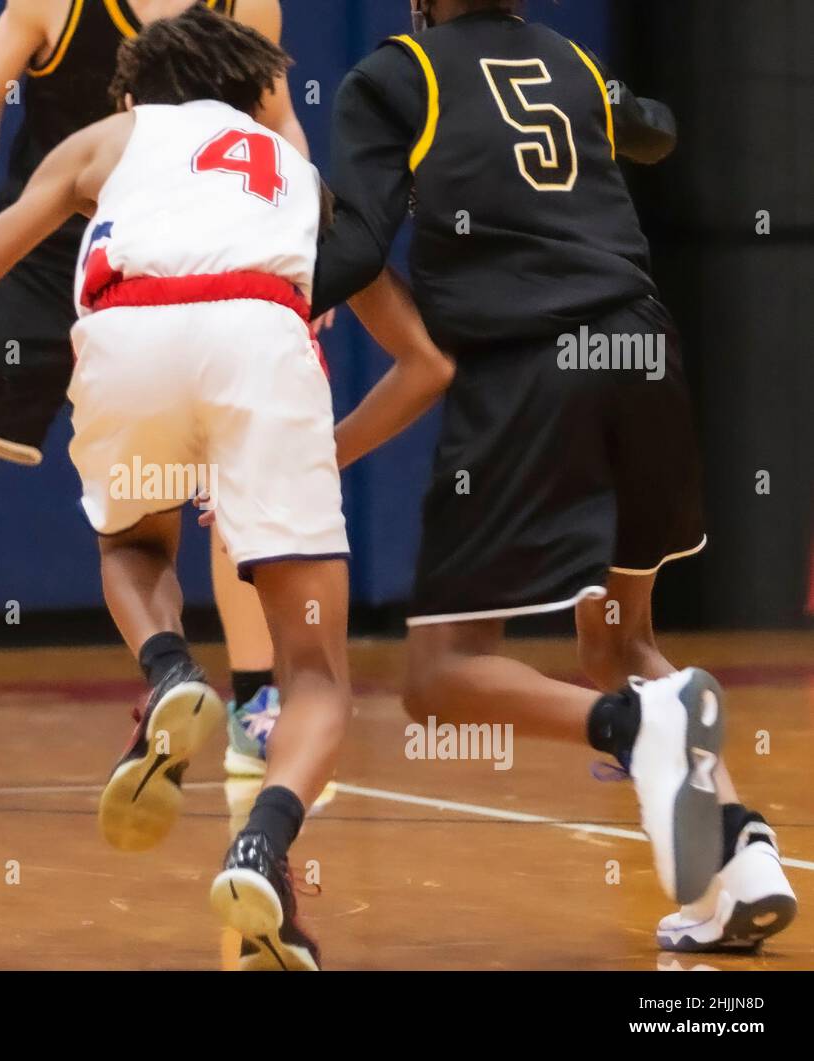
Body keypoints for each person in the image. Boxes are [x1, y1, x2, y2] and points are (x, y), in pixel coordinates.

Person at [0, 4, 445, 971]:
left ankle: (170, 669)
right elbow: (424, 362)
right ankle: (262, 850)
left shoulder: (107, 138)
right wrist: (311, 458)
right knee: (316, 679)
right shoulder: (298, 178)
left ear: (133, 90)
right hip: (260, 343)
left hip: (130, 328)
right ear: (262, 95)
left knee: (134, 545)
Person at [315, 0, 796, 950]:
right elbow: (653, 129)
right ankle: (744, 861)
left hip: (532, 365)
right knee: (622, 641)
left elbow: (361, 248)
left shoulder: (393, 76)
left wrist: (281, 282)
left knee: (440, 677)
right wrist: (612, 108)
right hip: (642, 350)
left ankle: (629, 731)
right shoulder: (572, 61)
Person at [0, 0, 310, 775]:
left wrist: (291, 246)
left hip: (172, 254)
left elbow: (279, 122)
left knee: (221, 504)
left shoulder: (248, 7)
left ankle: (253, 700)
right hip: (50, 257)